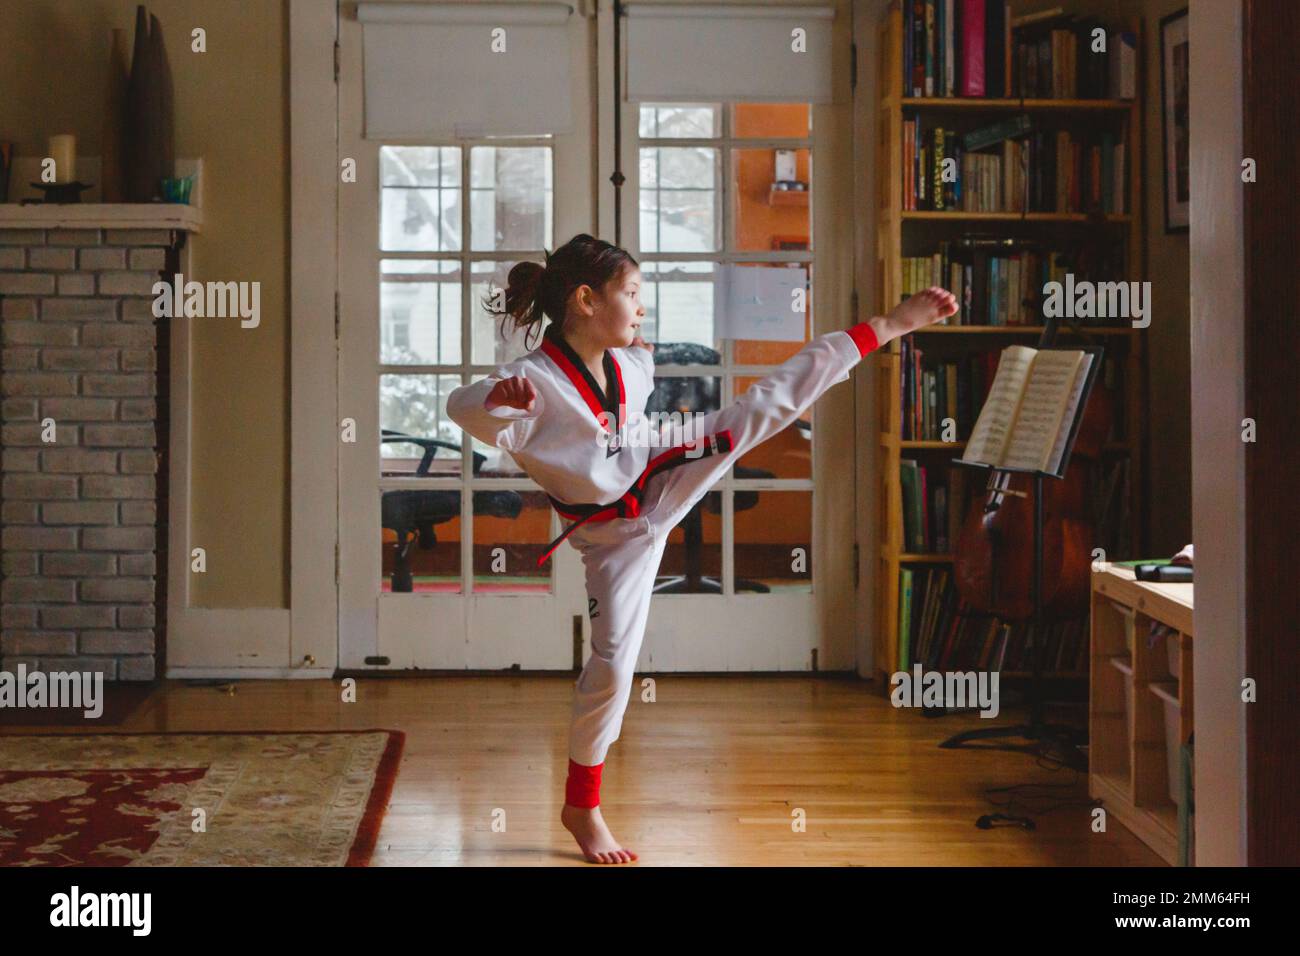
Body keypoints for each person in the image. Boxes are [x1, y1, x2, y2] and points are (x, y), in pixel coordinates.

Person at [447, 234, 957, 863]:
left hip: (662, 474)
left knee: (761, 408)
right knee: (611, 668)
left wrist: (638, 351)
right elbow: (464, 407)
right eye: (630, 293)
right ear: (585, 300)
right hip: (612, 538)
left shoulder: (629, 363)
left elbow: (634, 377)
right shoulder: (531, 381)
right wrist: (498, 403)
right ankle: (582, 805)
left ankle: (884, 327)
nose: (641, 305)